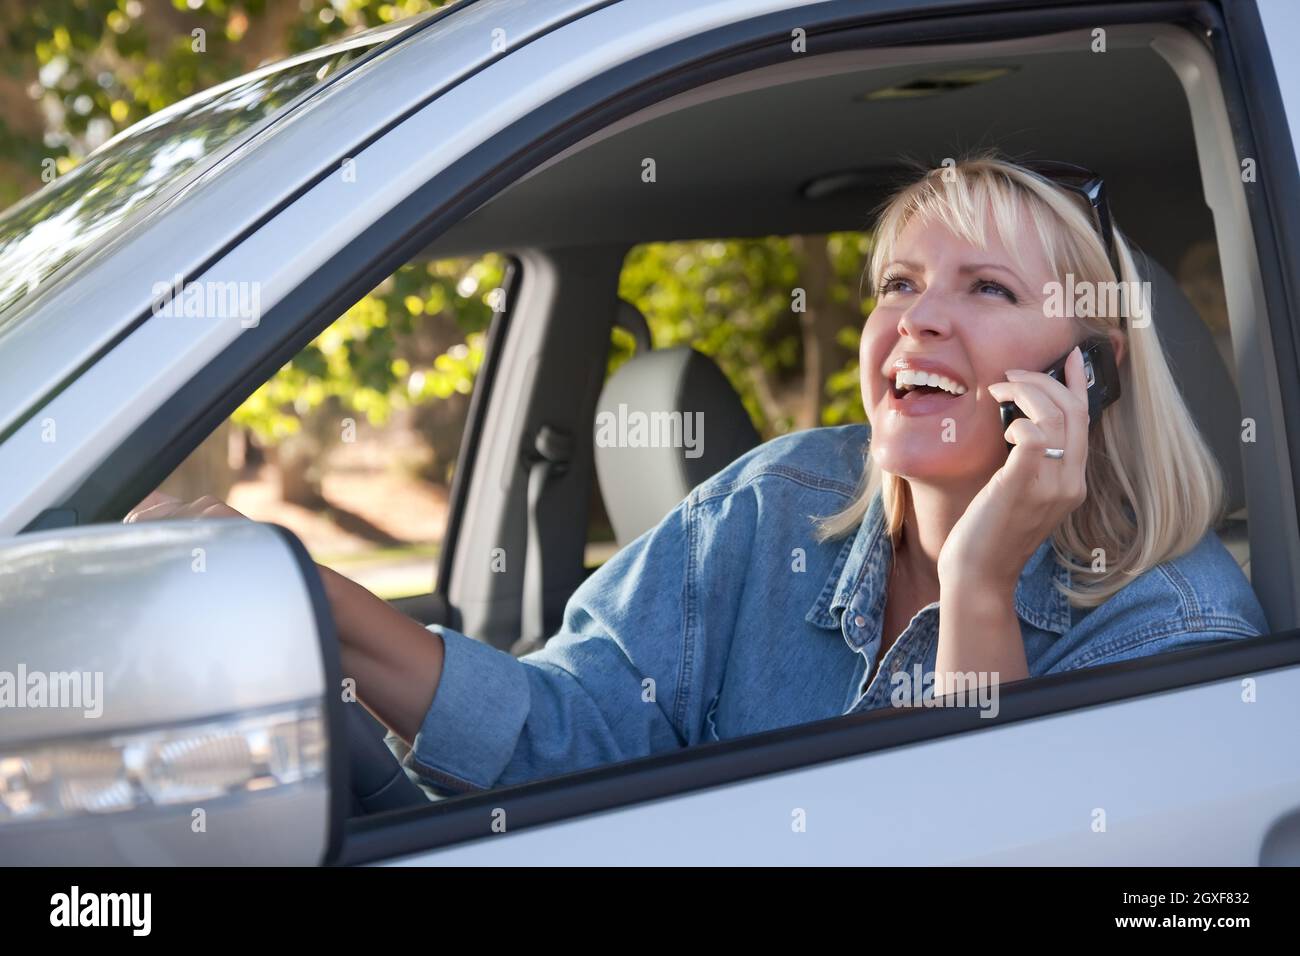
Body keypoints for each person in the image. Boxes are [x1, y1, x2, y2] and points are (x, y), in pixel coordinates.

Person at [128, 154, 1266, 797]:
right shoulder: (775, 499)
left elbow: (985, 832)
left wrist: (975, 581)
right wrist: (308, 593)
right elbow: (560, 732)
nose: (917, 321)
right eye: (896, 284)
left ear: (1091, 375)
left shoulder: (1182, 630)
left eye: (986, 291)